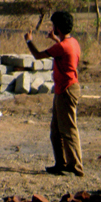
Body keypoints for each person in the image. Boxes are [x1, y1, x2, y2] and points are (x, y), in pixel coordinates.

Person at [24, 11, 83, 177]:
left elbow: (37, 55)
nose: (52, 28)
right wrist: (55, 40)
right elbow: (62, 51)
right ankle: (61, 164)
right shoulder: (71, 43)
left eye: (53, 25)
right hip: (64, 89)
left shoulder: (62, 46)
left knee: (69, 130)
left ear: (58, 27)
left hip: (66, 90)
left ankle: (75, 167)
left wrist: (29, 40)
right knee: (56, 130)